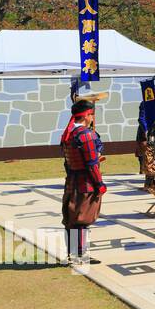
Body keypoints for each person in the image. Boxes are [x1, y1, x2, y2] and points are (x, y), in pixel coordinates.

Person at [61, 98, 106, 266]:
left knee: (72, 218)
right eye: (92, 115)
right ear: (86, 115)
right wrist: (99, 184)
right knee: (81, 219)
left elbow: (68, 161)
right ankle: (80, 255)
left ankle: (73, 254)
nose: (92, 118)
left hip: (72, 180)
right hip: (85, 183)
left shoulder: (68, 133)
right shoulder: (85, 134)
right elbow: (92, 164)